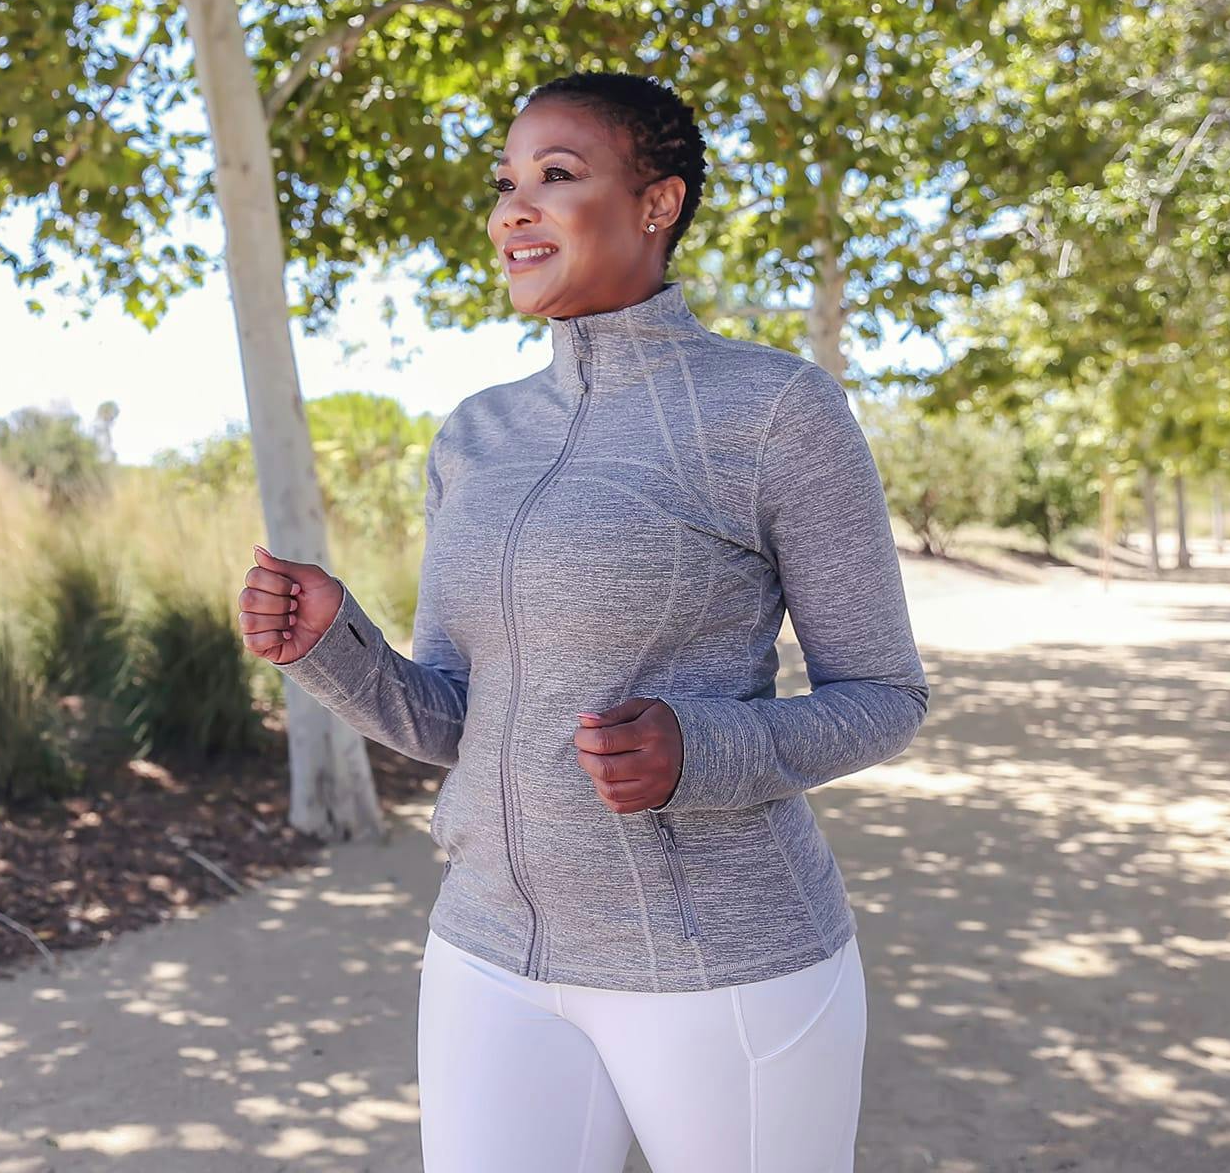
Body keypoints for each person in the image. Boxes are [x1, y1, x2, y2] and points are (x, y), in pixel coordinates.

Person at [238, 70, 928, 1173]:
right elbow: (457, 722)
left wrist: (701, 749)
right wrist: (334, 645)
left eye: (557, 176)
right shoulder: (474, 436)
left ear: (659, 203)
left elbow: (888, 696)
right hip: (488, 954)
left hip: (725, 966)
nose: (515, 207)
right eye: (506, 182)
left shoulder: (776, 410)